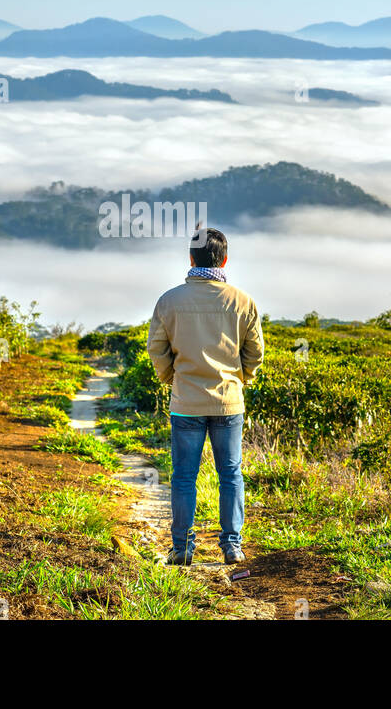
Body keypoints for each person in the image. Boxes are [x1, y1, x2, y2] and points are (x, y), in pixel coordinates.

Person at [147, 227, 264, 565]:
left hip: (186, 403)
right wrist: (240, 379)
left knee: (184, 476)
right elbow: (255, 353)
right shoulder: (242, 301)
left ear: (190, 258)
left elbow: (157, 349)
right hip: (229, 402)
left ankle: (182, 548)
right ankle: (232, 546)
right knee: (231, 474)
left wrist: (173, 379)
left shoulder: (169, 300)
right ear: (224, 258)